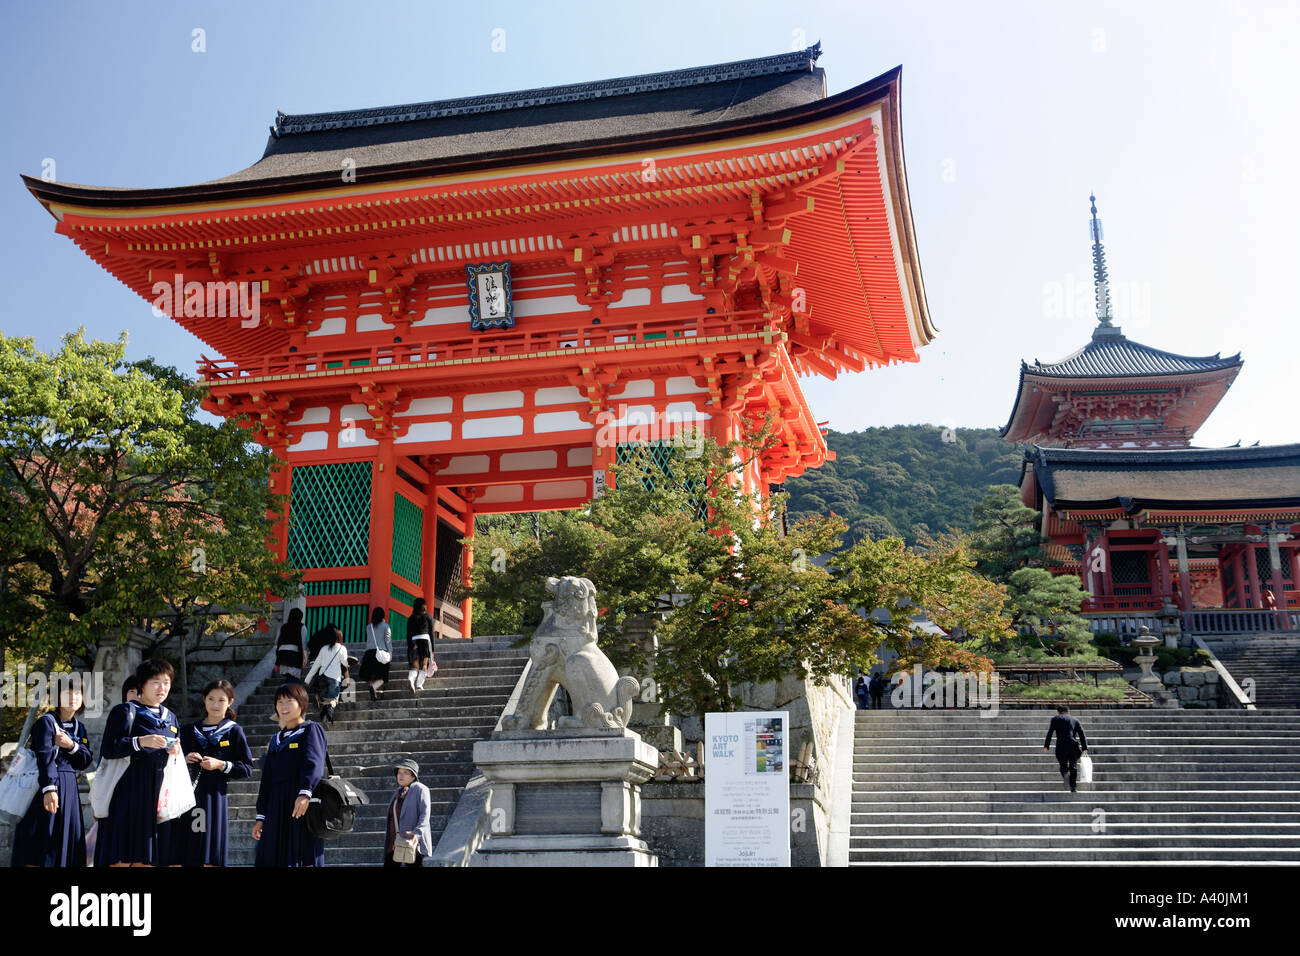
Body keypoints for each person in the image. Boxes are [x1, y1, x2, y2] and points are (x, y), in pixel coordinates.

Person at [95, 659, 183, 866]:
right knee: (121, 855)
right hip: (128, 789)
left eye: (166, 682)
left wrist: (175, 750)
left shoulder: (171, 717)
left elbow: (175, 750)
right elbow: (109, 748)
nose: (162, 688)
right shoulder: (126, 711)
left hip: (158, 792)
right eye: (155, 682)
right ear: (142, 684)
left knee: (149, 856)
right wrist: (139, 742)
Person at [10, 674, 94, 867]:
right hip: (44, 789)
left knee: (64, 846)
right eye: (67, 692)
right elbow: (44, 757)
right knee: (39, 845)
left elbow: (85, 760)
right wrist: (49, 789)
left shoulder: (79, 727)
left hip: (69, 788)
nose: (73, 697)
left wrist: (70, 744)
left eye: (78, 693)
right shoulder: (46, 722)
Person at [171, 680, 253, 866]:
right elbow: (169, 762)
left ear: (230, 702)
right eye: (211, 699)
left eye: (221, 700)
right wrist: (183, 760)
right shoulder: (188, 731)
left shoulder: (234, 732)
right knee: (186, 851)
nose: (215, 705)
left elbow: (246, 768)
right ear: (204, 700)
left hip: (213, 798)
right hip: (185, 798)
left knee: (210, 853)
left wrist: (220, 765)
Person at [253, 681, 327, 867]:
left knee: (303, 855)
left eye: (289, 701)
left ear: (301, 704)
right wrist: (261, 816)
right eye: (279, 702)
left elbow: (314, 763)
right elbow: (267, 778)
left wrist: (304, 793)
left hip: (301, 804)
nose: (283, 707)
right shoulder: (276, 738)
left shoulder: (311, 729)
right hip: (276, 805)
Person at [384, 759, 432, 867]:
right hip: (394, 843)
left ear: (413, 776)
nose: (401, 775)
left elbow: (425, 814)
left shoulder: (420, 789)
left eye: (405, 773)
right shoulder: (398, 792)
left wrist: (417, 833)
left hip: (413, 843)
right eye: (399, 772)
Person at [304, 624, 347, 725]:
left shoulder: (323, 648)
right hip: (335, 679)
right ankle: (329, 711)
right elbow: (345, 663)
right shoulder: (342, 648)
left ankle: (323, 711)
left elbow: (316, 665)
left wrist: (307, 679)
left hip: (322, 677)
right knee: (334, 699)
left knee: (325, 697)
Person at [1043, 704, 1089, 793]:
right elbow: (1081, 734)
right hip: (1073, 745)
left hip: (1061, 746)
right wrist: (1084, 747)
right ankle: (1073, 787)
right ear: (1068, 711)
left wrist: (1046, 746)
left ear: (1058, 712)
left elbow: (1050, 732)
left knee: (1063, 765)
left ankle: (1065, 774)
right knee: (1073, 766)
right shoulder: (1075, 720)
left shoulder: (1055, 719)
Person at [359, 606, 393, 701]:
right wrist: (390, 653)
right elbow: (388, 641)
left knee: (371, 676)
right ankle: (373, 688)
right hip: (380, 653)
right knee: (382, 676)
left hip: (369, 654)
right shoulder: (386, 626)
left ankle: (373, 692)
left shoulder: (368, 627)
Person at [406, 597, 436, 693]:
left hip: (414, 641)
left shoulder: (411, 618)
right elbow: (431, 633)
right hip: (425, 640)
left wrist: (411, 645)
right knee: (424, 665)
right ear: (423, 606)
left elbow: (408, 634)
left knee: (415, 665)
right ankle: (419, 685)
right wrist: (433, 649)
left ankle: (411, 679)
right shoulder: (428, 617)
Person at [275, 607, 308, 680]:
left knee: (287, 677)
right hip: (294, 654)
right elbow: (303, 644)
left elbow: (278, 641)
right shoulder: (302, 627)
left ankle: (285, 690)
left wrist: (277, 661)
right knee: (294, 678)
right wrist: (305, 658)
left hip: (282, 653)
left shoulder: (284, 626)